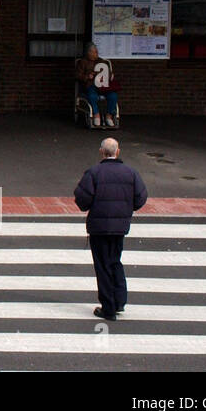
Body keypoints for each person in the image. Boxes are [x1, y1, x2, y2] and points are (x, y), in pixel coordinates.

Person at [73, 137, 147, 321]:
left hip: (99, 227)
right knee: (115, 260)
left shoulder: (94, 173)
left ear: (101, 152)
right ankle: (120, 300)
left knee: (102, 265)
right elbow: (140, 198)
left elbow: (82, 199)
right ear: (117, 151)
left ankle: (108, 307)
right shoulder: (131, 173)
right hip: (120, 226)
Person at [75, 43, 119, 129]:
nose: (96, 54)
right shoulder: (83, 62)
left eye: (97, 52)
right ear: (89, 53)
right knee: (92, 95)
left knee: (113, 96)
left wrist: (109, 76)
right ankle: (96, 114)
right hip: (91, 85)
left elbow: (109, 74)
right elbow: (77, 75)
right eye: (94, 52)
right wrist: (87, 76)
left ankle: (109, 116)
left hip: (103, 85)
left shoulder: (102, 61)